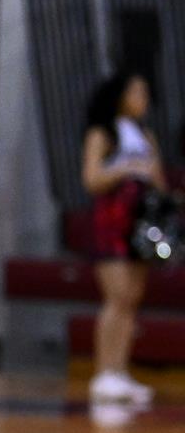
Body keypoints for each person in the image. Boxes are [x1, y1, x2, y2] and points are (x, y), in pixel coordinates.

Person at [82, 70, 167, 405]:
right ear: (119, 96)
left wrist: (151, 176)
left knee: (132, 298)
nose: (143, 99)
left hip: (140, 223)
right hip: (111, 223)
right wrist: (124, 168)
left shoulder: (147, 136)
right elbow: (91, 180)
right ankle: (104, 371)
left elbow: (159, 181)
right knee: (116, 297)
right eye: (137, 92)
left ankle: (119, 370)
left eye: (146, 92)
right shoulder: (102, 134)